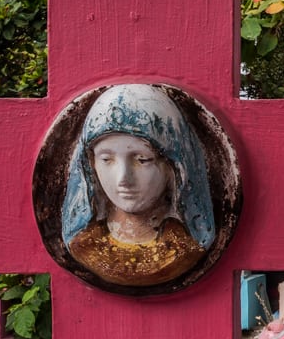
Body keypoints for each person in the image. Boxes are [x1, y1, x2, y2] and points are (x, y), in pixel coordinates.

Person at [61, 84, 216, 288]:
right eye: (107, 159)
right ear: (90, 165)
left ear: (174, 167)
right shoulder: (83, 245)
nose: (123, 178)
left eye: (142, 160)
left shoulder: (185, 248)